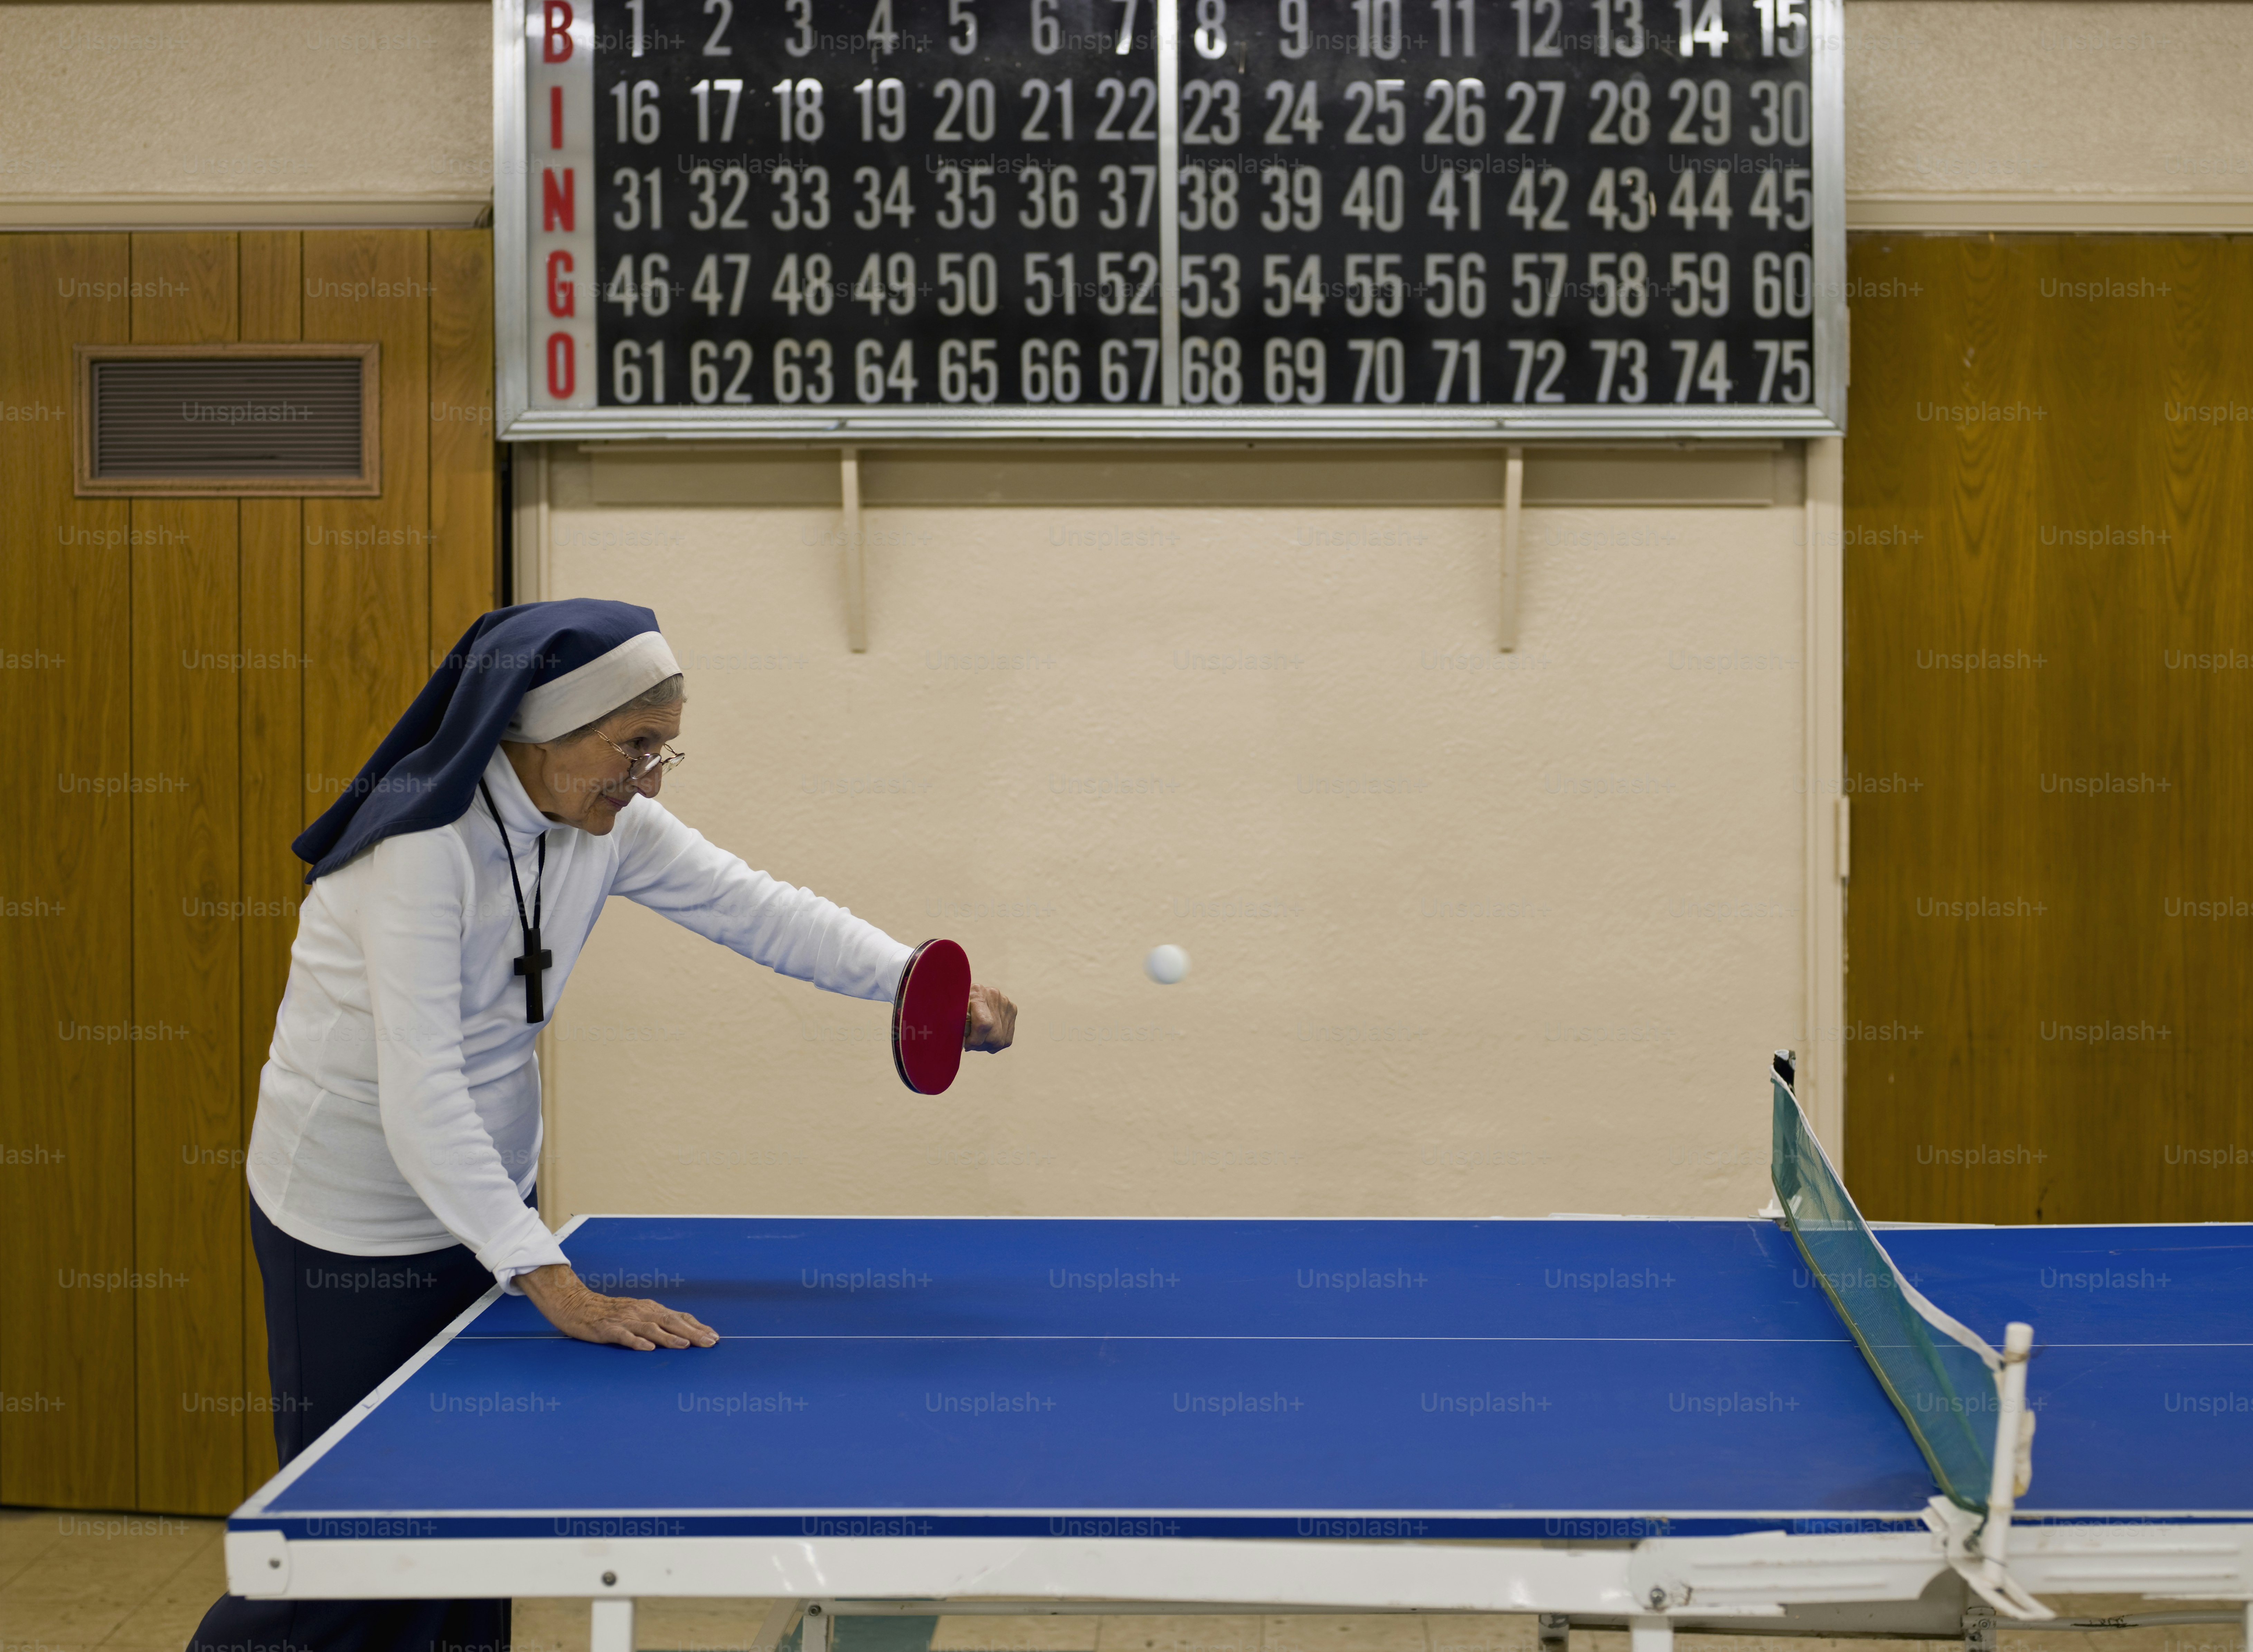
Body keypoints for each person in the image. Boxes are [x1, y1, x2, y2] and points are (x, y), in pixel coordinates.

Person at [189, 599, 1015, 1652]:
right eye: (632, 747)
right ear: (537, 730)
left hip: (487, 1201)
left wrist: (920, 985)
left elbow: (762, 909)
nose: (651, 777)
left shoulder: (602, 826)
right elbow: (420, 1092)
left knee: (477, 1521)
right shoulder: (419, 850)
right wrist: (554, 1283)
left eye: (666, 749)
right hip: (349, 1221)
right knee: (352, 1547)